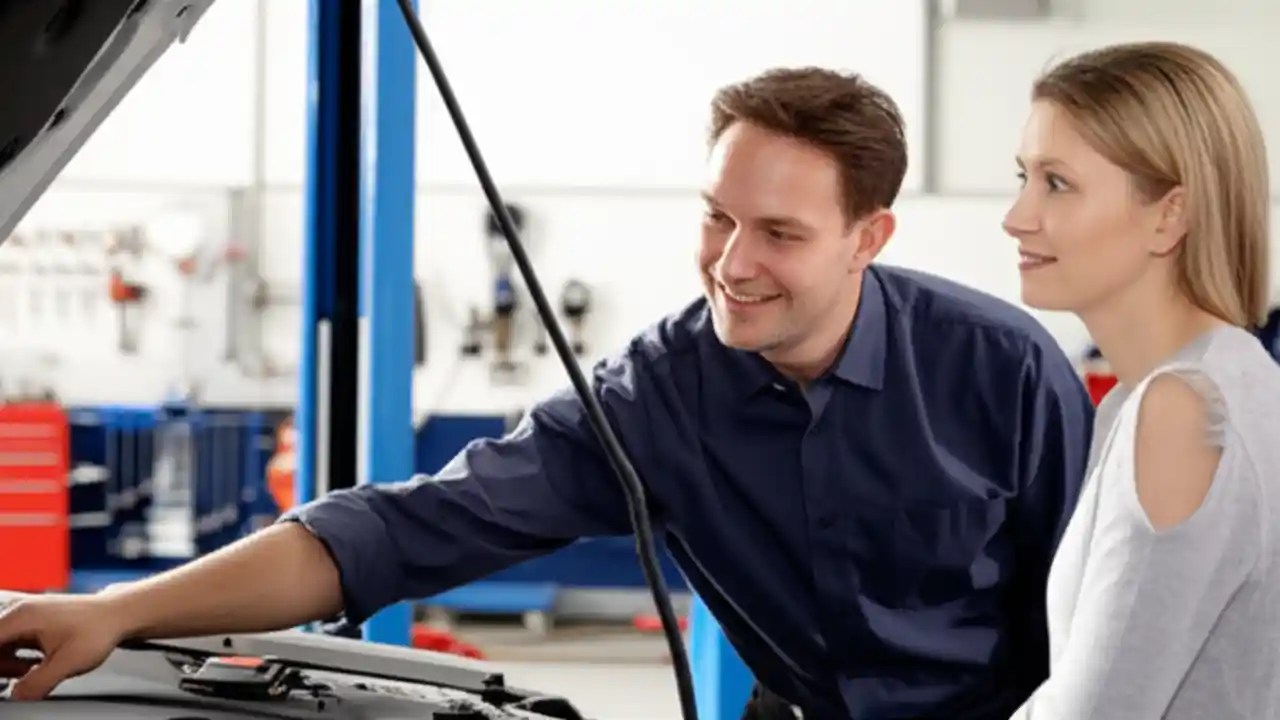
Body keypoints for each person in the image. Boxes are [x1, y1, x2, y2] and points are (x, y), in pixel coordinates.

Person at [0, 67, 1094, 719]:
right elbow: (404, 530)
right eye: (716, 216)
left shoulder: (1001, 372)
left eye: (779, 233)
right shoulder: (661, 394)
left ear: (868, 238)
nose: (730, 263)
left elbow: (1093, 623)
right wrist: (117, 611)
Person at [1001, 41, 1280, 719]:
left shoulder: (1182, 409)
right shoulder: (1203, 384)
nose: (1016, 217)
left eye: (1056, 183)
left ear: (1169, 215)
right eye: (1023, 177)